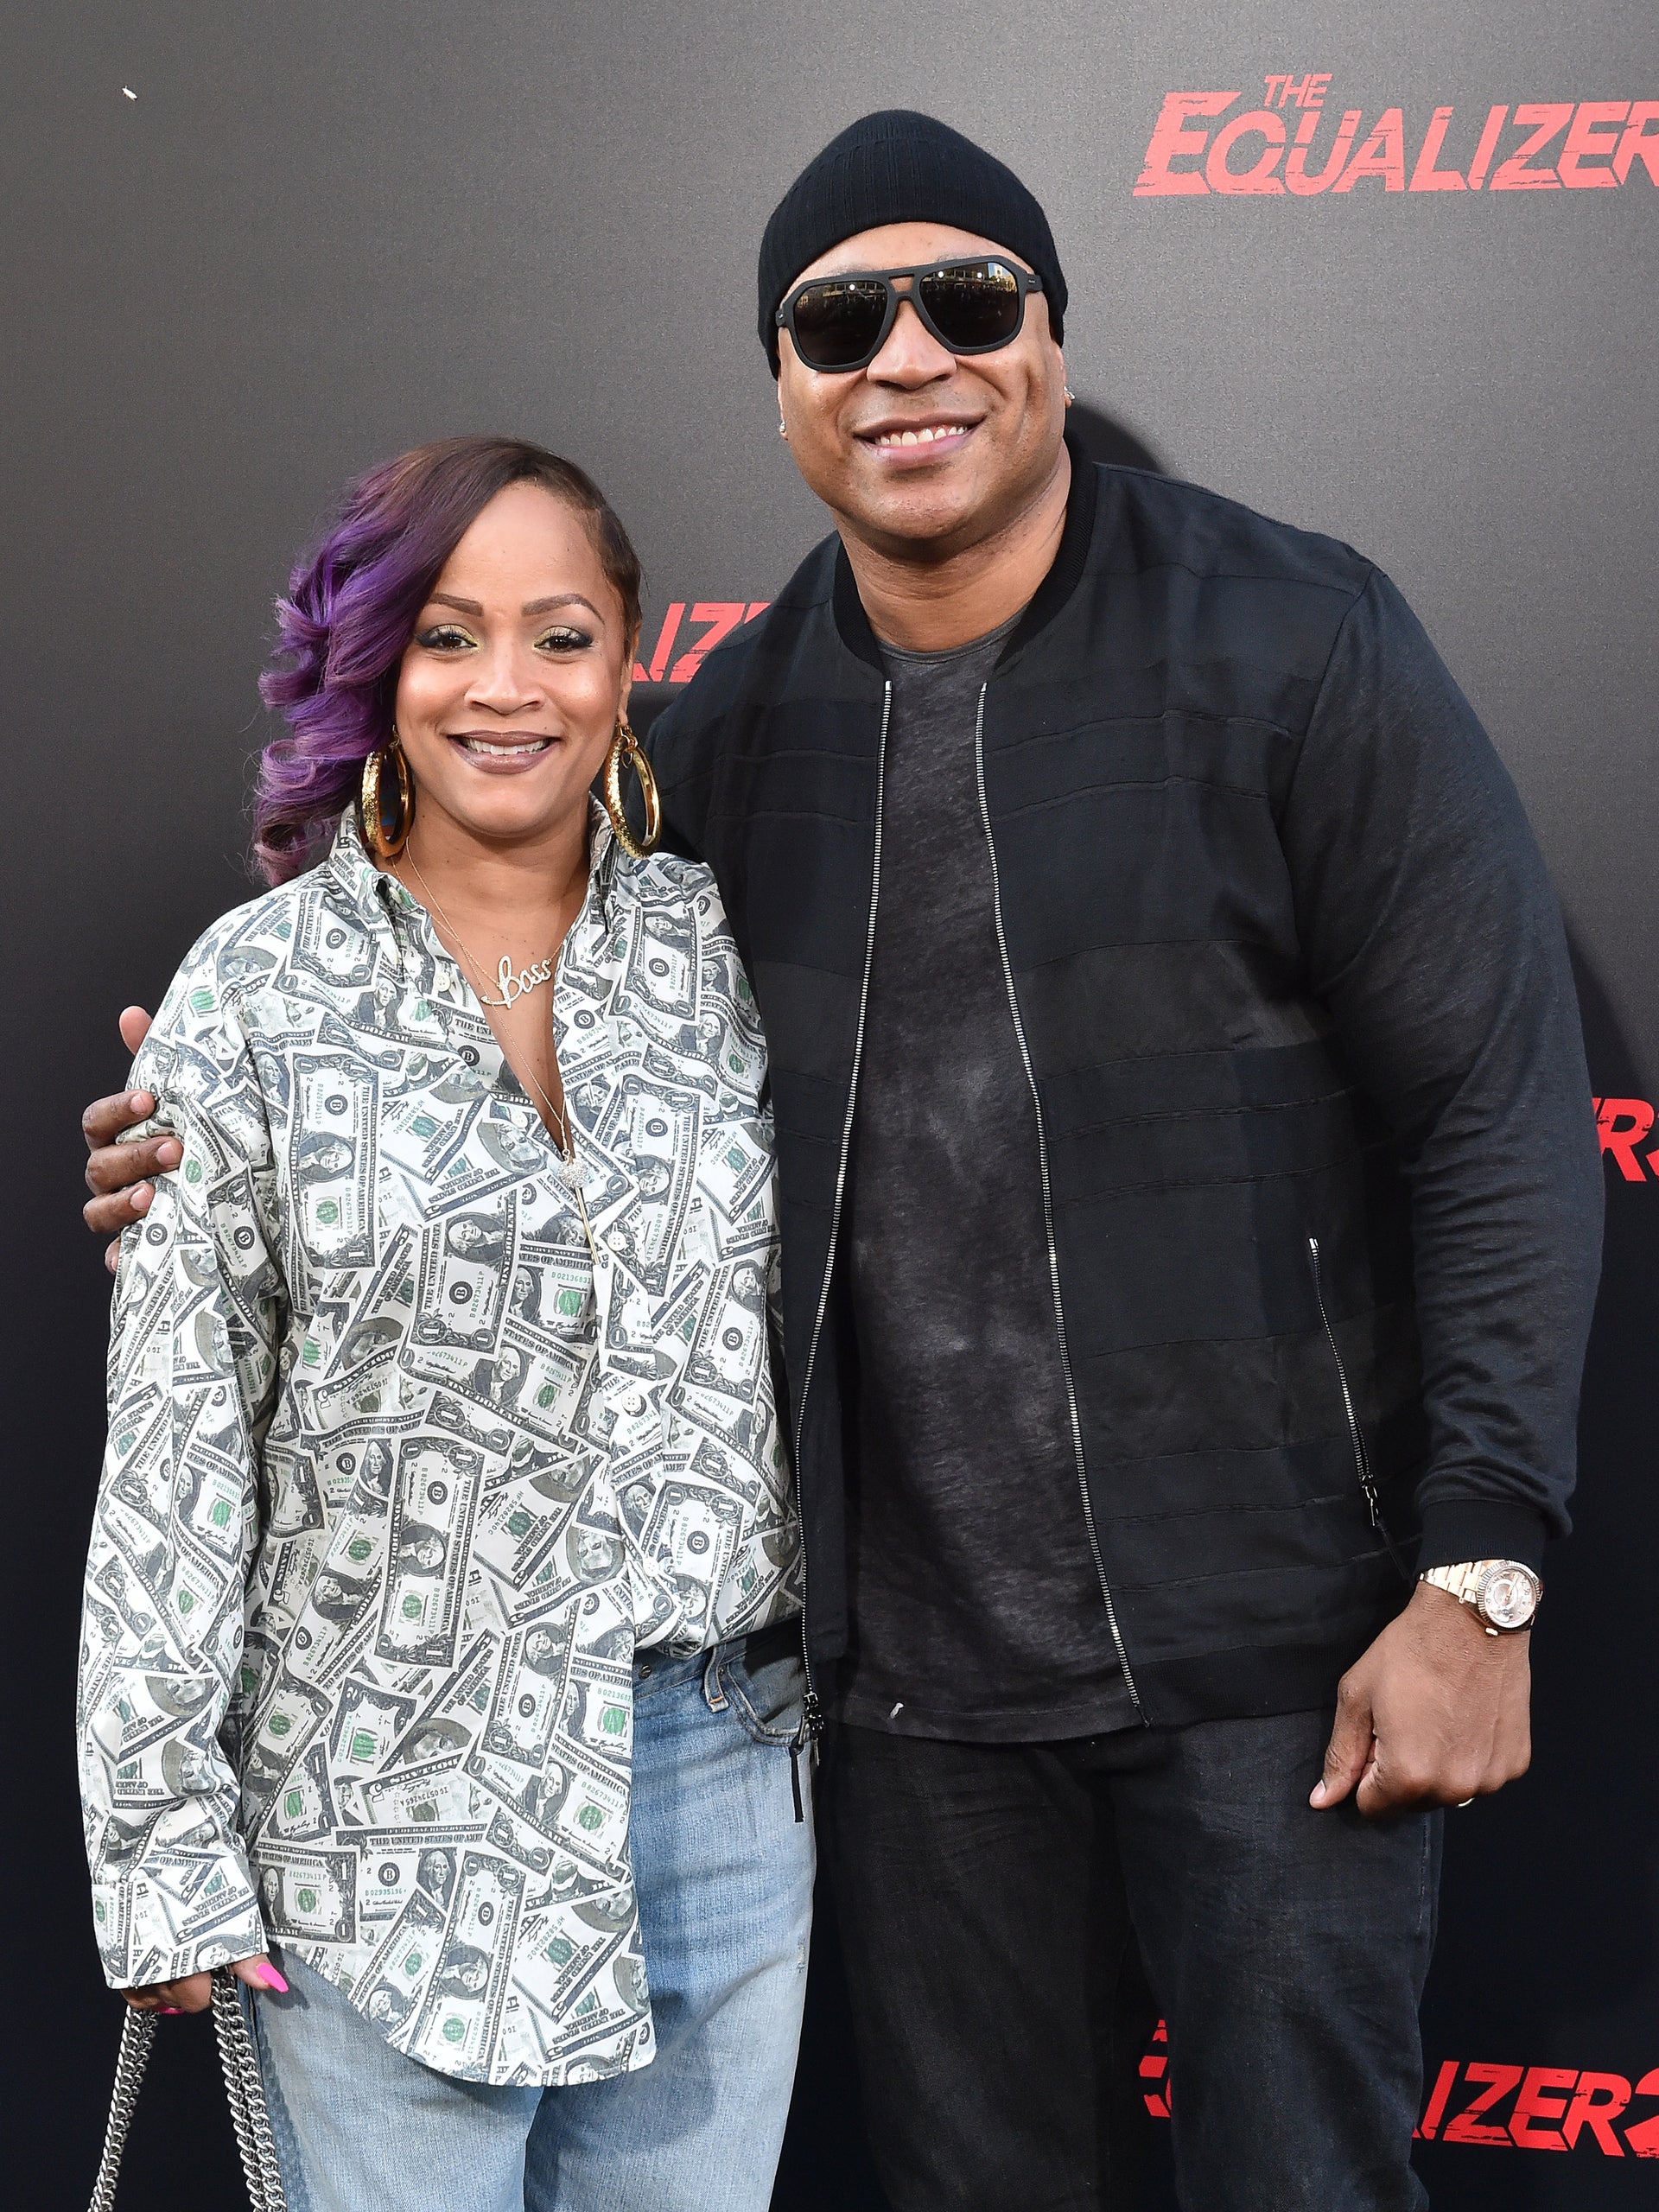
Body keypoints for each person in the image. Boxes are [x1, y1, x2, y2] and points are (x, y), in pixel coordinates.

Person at [82, 112, 1605, 2212]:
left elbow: (1497, 1114)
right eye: (839, 319)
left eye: (966, 300)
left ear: (1051, 335)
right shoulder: (734, 736)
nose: (907, 355)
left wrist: (1481, 1568)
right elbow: (501, 1067)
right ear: (781, 380)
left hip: (1283, 1665)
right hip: (902, 1716)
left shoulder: (1294, 643)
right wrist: (226, 1115)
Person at [77, 436, 811, 2212]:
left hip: (721, 1776)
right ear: (377, 667)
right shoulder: (253, 992)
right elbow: (177, 1443)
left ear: (627, 665)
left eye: (560, 636)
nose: (506, 687)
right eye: (447, 634)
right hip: (380, 1797)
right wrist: (159, 1834)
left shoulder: (721, 953)